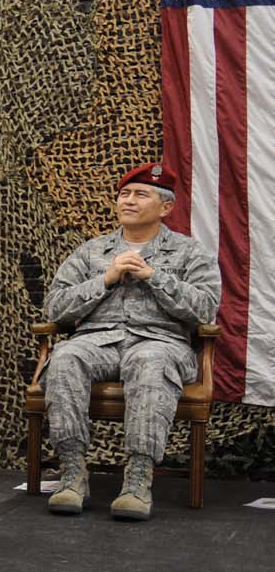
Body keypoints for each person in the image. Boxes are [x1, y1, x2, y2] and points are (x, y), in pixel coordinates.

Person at [42, 162, 221, 521]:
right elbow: (55, 307)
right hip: (98, 341)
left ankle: (138, 480)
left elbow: (205, 309)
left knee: (149, 360)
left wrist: (155, 277)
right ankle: (73, 473)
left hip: (161, 342)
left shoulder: (189, 253)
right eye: (124, 194)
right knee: (65, 356)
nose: (129, 201)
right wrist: (105, 279)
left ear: (166, 207)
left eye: (141, 195)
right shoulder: (92, 251)